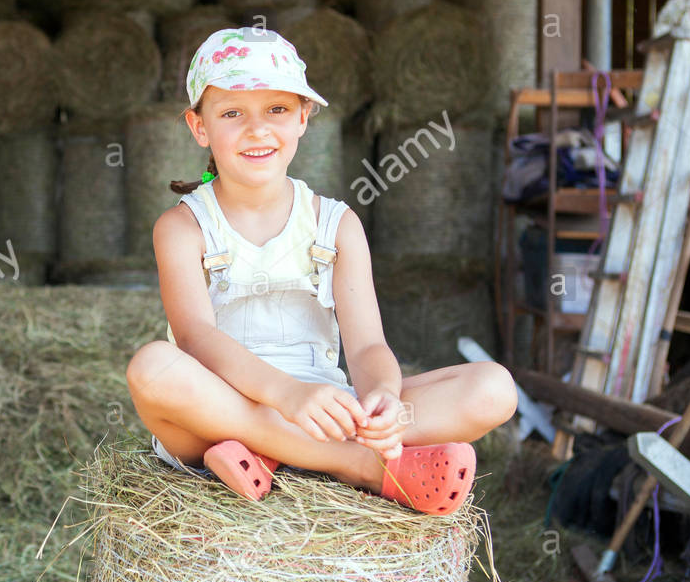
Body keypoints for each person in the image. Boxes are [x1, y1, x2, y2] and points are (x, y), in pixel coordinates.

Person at [125, 26, 518, 515]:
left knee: (494, 388)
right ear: (198, 126)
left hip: (326, 408)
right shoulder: (183, 227)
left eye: (277, 109)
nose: (257, 129)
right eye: (232, 113)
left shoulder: (337, 225)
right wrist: (286, 395)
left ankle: (275, 453)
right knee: (153, 367)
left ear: (303, 118)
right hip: (222, 406)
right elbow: (195, 338)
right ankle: (358, 467)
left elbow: (369, 345)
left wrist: (382, 399)